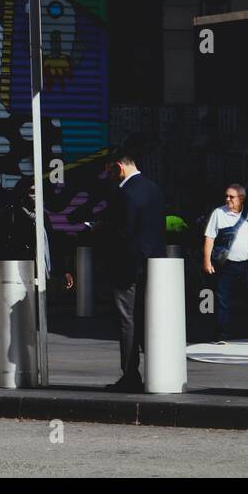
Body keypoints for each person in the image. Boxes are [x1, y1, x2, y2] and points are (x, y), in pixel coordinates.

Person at [107, 150, 166, 393]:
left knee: (127, 321)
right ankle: (159, 372)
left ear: (119, 167)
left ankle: (130, 375)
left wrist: (102, 229)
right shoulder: (154, 189)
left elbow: (124, 233)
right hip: (155, 265)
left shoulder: (125, 193)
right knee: (149, 320)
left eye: (110, 171)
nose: (109, 176)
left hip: (129, 268)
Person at [202, 183, 248, 343]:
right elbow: (209, 237)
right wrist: (206, 261)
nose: (227, 199)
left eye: (231, 197)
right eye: (226, 196)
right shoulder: (218, 213)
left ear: (242, 199)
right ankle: (221, 336)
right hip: (226, 265)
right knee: (222, 300)